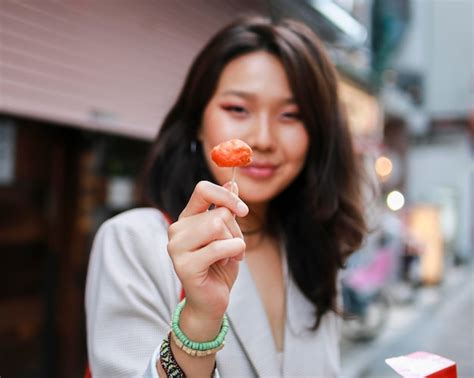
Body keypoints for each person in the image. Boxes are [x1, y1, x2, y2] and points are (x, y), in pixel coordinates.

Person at [85, 16, 367, 377]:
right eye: (237, 109)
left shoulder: (313, 249)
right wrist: (199, 321)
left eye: (291, 115)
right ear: (196, 122)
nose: (263, 138)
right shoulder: (133, 242)